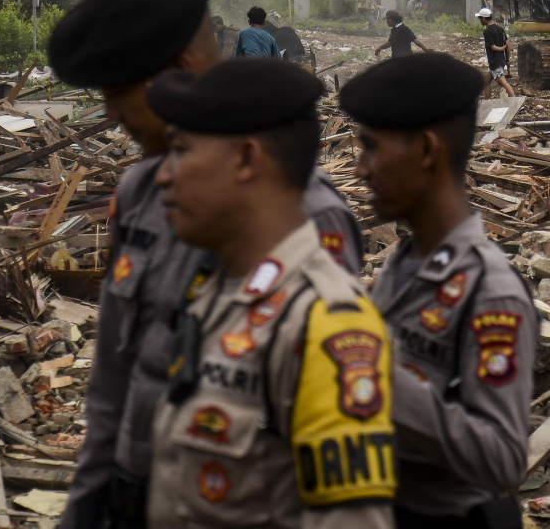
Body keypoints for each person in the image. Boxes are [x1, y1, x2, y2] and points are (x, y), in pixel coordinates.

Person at [48, 0, 365, 529]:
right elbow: (114, 378)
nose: (111, 114)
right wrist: (86, 504)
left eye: (121, 92)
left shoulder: (302, 214)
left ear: (180, 70)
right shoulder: (141, 191)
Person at [145, 58, 396, 528]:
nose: (163, 175)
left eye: (179, 151)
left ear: (245, 159)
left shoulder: (324, 321)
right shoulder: (217, 292)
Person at [339, 53, 536, 527]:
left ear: (426, 151)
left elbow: (503, 459)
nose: (361, 169)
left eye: (370, 148)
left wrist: (379, 375)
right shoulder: (401, 267)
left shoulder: (490, 293)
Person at [476, 7, 516, 97]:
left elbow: (493, 47)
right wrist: (508, 58)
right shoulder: (500, 29)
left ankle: (515, 100)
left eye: (480, 18)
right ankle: (486, 101)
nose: (480, 21)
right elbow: (507, 44)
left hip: (495, 61)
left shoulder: (487, 32)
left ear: (484, 18)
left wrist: (502, 48)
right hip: (497, 61)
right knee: (486, 81)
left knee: (501, 81)